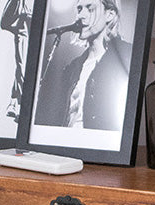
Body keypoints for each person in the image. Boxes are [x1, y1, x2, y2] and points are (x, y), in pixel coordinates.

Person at [35, 0, 131, 131]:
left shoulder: (127, 55)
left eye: (89, 8)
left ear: (110, 15)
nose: (80, 16)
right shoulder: (72, 68)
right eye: (79, 9)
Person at [0, 0, 33, 120]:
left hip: (36, 39)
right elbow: (4, 23)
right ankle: (20, 106)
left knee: (23, 69)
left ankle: (13, 103)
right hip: (24, 36)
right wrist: (18, 30)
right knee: (23, 69)